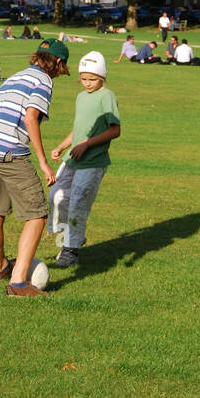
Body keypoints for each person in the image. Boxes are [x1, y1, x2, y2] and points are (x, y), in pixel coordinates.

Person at [0, 40, 71, 297]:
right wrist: (43, 162)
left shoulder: (14, 77)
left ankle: (1, 267)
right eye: (61, 68)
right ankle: (19, 283)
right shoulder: (44, 81)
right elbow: (30, 117)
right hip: (9, 151)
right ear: (57, 63)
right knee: (37, 214)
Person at [48, 51, 121, 269]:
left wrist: (87, 144)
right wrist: (62, 146)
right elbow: (78, 129)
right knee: (55, 194)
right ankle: (73, 237)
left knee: (78, 202)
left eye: (93, 79)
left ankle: (70, 251)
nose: (87, 83)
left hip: (93, 161)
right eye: (83, 78)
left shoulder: (106, 96)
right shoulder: (81, 97)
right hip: (73, 158)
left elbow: (115, 130)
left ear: (103, 78)